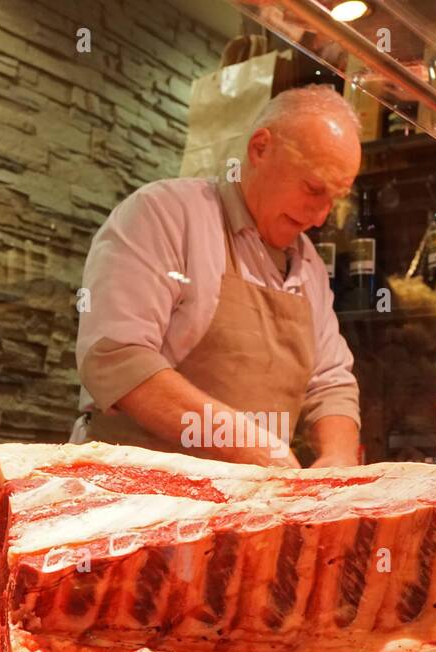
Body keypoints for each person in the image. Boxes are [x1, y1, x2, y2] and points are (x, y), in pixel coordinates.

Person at [71, 85, 363, 467]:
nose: (321, 216)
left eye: (335, 199)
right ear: (260, 148)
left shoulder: (307, 262)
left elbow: (332, 381)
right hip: (139, 495)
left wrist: (338, 458)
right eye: (313, 189)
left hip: (251, 505)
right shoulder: (164, 213)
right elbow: (115, 358)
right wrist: (249, 446)